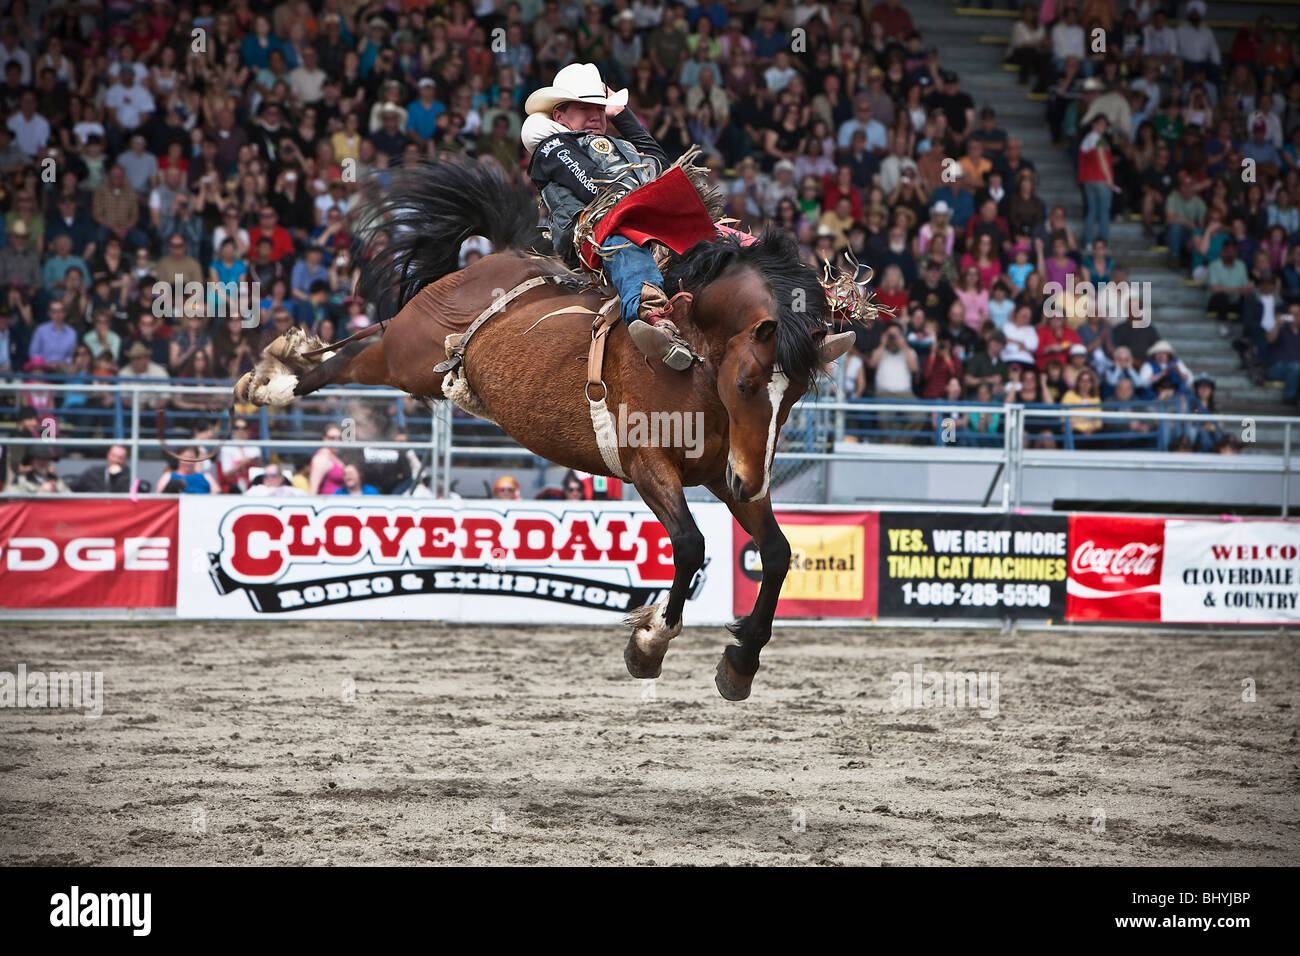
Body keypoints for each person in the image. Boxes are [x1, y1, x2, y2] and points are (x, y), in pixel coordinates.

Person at [523, 62, 693, 370]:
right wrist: (647, 201)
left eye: (599, 109)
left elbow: (659, 168)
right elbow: (597, 189)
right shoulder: (553, 147)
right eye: (583, 107)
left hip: (644, 224)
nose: (595, 115)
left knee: (718, 235)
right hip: (594, 236)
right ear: (558, 116)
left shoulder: (621, 145)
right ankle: (654, 319)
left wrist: (621, 115)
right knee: (620, 237)